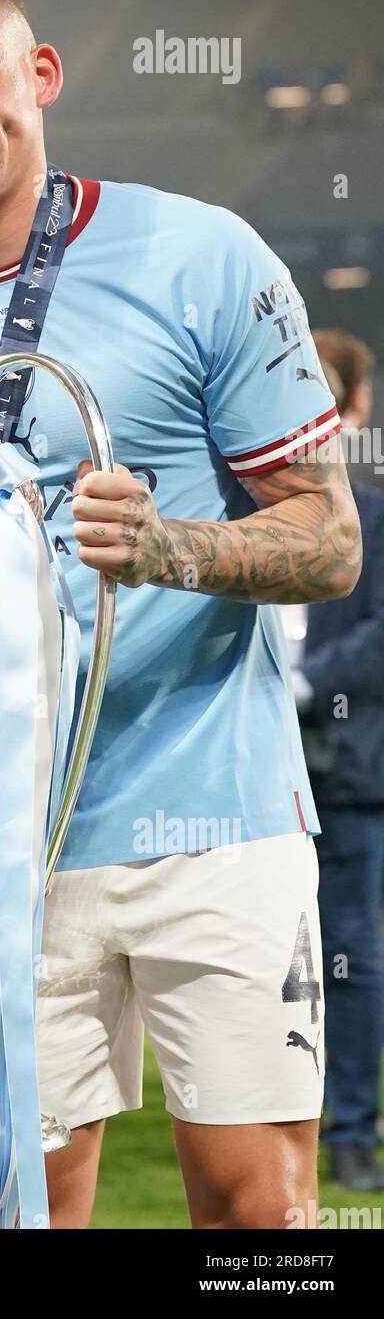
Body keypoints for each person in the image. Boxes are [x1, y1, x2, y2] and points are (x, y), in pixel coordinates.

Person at [0, 0, 363, 1228]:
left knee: (258, 1216)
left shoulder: (205, 253)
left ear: (39, 78)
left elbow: (330, 541)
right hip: (1, 834)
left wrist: (169, 546)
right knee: (12, 1211)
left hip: (215, 814)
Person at [288, 330, 383, 1192]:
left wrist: (303, 684)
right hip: (254, 775)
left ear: (354, 409)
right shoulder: (239, 501)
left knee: (351, 953)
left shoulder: (381, 514)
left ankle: (350, 1130)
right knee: (262, 959)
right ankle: (271, 1127)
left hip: (348, 767)